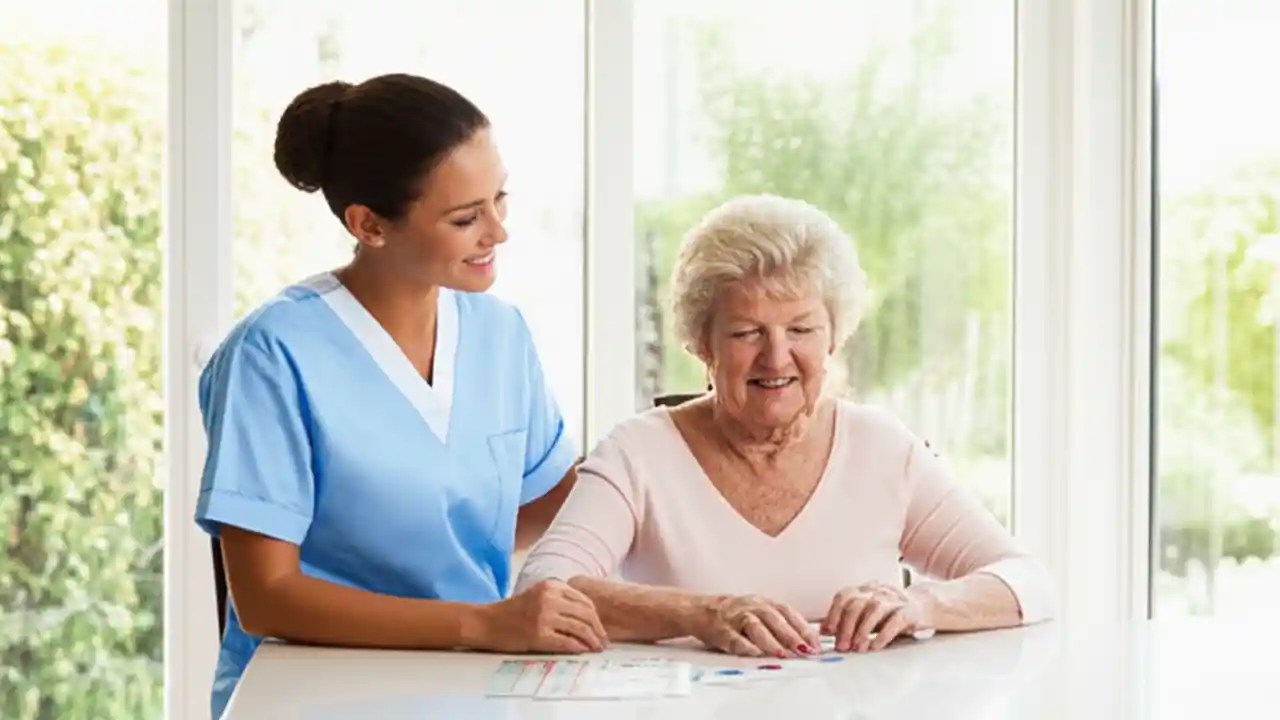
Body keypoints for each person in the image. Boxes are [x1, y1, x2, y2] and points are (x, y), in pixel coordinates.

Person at [194, 74, 606, 719]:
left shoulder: (500, 334)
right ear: (369, 224)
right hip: (310, 695)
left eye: (500, 199)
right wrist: (483, 623)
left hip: (471, 687)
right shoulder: (273, 354)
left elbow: (542, 505)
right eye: (466, 218)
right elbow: (266, 596)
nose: (498, 232)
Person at [516, 194, 1053, 658]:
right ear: (703, 344)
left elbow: (1027, 582)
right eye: (747, 332)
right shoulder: (639, 451)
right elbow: (541, 586)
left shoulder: (882, 448)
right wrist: (702, 614)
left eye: (801, 329)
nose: (776, 358)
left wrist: (917, 604)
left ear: (833, 337)